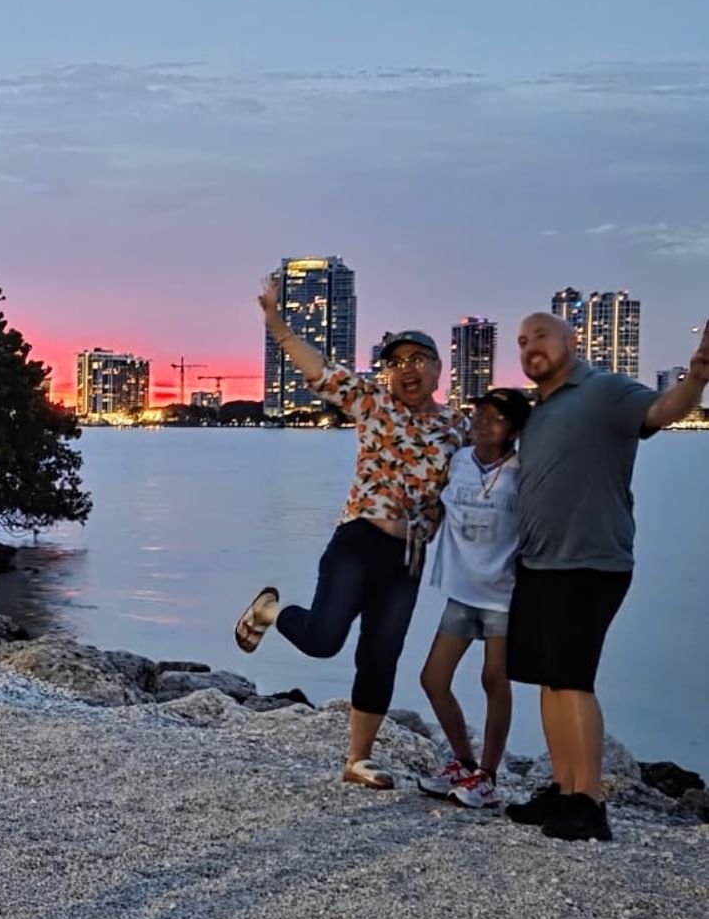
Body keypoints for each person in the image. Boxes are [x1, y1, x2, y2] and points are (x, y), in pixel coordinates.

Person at [236, 276, 467, 787]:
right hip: (358, 542)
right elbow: (317, 370)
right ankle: (272, 609)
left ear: (437, 369)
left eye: (417, 360)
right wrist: (275, 323)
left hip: (408, 558)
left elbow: (492, 478)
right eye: (396, 362)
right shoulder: (372, 404)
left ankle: (357, 759)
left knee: (381, 657)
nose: (406, 370)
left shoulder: (459, 430)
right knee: (323, 641)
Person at [504, 311, 709, 842]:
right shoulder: (539, 409)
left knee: (573, 679)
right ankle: (562, 784)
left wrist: (699, 376)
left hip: (590, 562)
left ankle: (589, 802)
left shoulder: (606, 390)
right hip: (538, 562)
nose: (530, 348)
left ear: (572, 341)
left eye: (541, 336)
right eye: (522, 342)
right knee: (547, 680)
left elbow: (663, 411)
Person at [416, 388, 531, 810]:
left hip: (504, 593)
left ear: (515, 429)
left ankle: (488, 776)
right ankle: (463, 762)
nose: (484, 421)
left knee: (493, 680)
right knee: (433, 679)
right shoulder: (458, 461)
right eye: (479, 413)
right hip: (462, 591)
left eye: (496, 417)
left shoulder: (525, 470)